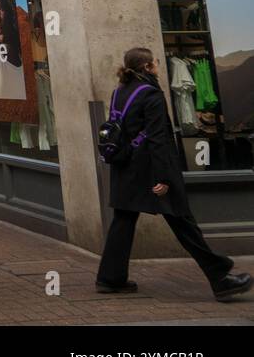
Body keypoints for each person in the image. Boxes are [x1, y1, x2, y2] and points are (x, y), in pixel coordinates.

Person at [95, 47, 251, 301]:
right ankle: (221, 280)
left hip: (124, 168)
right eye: (155, 62)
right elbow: (159, 140)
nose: (158, 64)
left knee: (123, 221)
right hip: (150, 170)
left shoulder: (119, 92)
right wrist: (164, 178)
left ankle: (110, 278)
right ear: (147, 67)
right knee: (182, 221)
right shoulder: (152, 95)